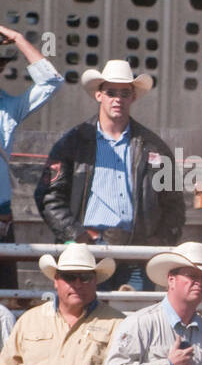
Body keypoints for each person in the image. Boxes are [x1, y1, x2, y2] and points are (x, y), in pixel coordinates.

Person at [35, 60, 184, 291]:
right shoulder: (72, 143)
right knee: (85, 320)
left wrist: (158, 242)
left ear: (133, 97)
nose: (118, 99)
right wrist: (77, 235)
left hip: (136, 254)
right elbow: (48, 196)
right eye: (111, 92)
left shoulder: (155, 147)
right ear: (98, 95)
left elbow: (174, 204)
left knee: (134, 322)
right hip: (86, 253)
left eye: (124, 93)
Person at [0, 24, 63, 291]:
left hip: (0, 217)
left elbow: (51, 81)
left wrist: (18, 38)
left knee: (4, 295)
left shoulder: (8, 108)